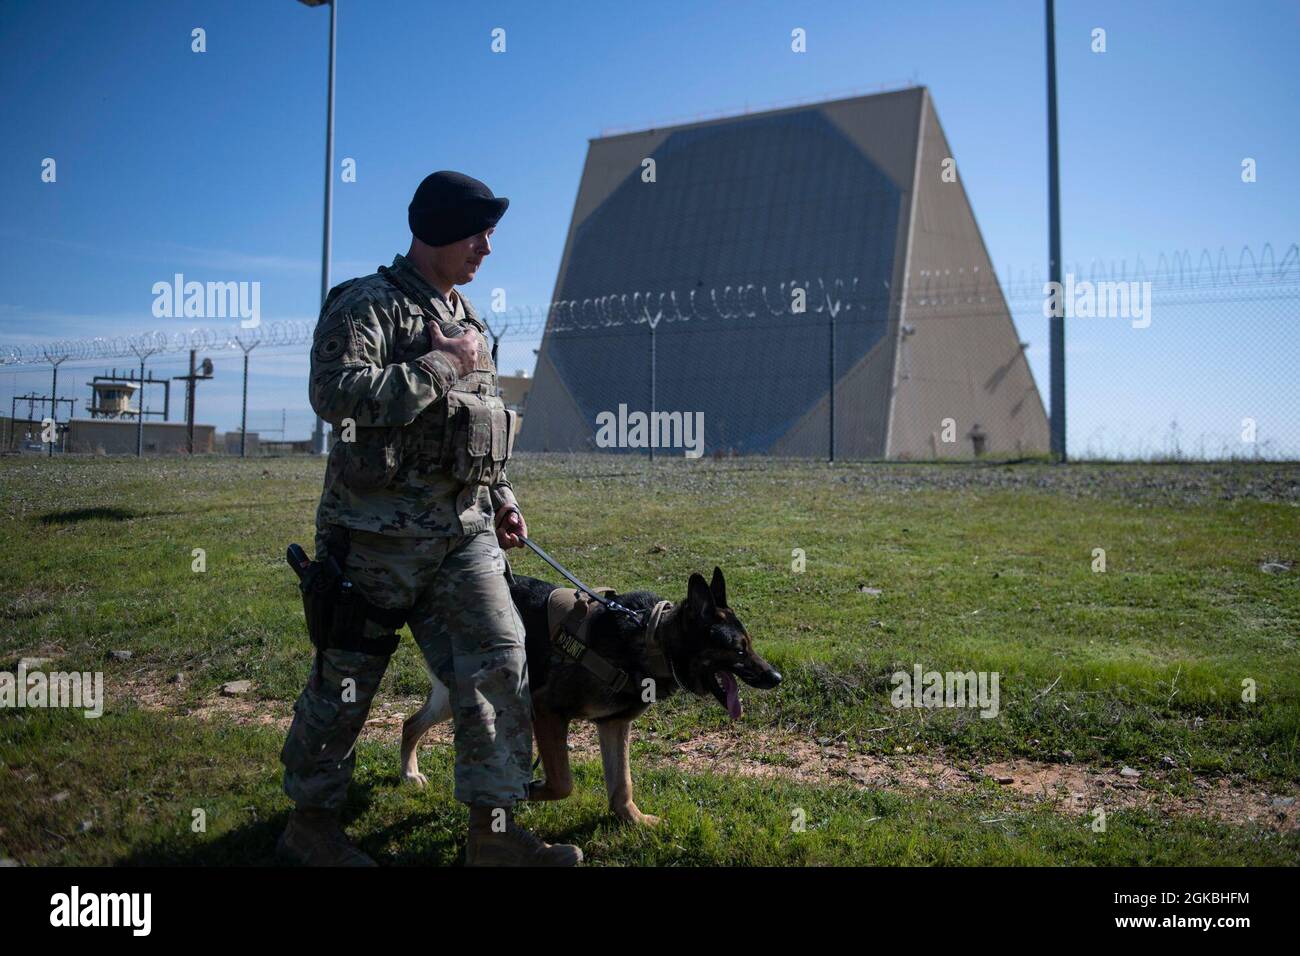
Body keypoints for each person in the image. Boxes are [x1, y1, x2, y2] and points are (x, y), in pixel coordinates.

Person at [276, 170, 581, 867]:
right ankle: (311, 828)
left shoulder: (471, 321)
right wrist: (440, 365)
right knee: (346, 683)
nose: (487, 249)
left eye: (490, 234)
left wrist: (502, 498)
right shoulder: (367, 305)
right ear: (436, 229)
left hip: (464, 537)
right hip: (374, 538)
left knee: (501, 664)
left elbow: (482, 427)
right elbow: (337, 395)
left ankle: (494, 836)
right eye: (476, 233)